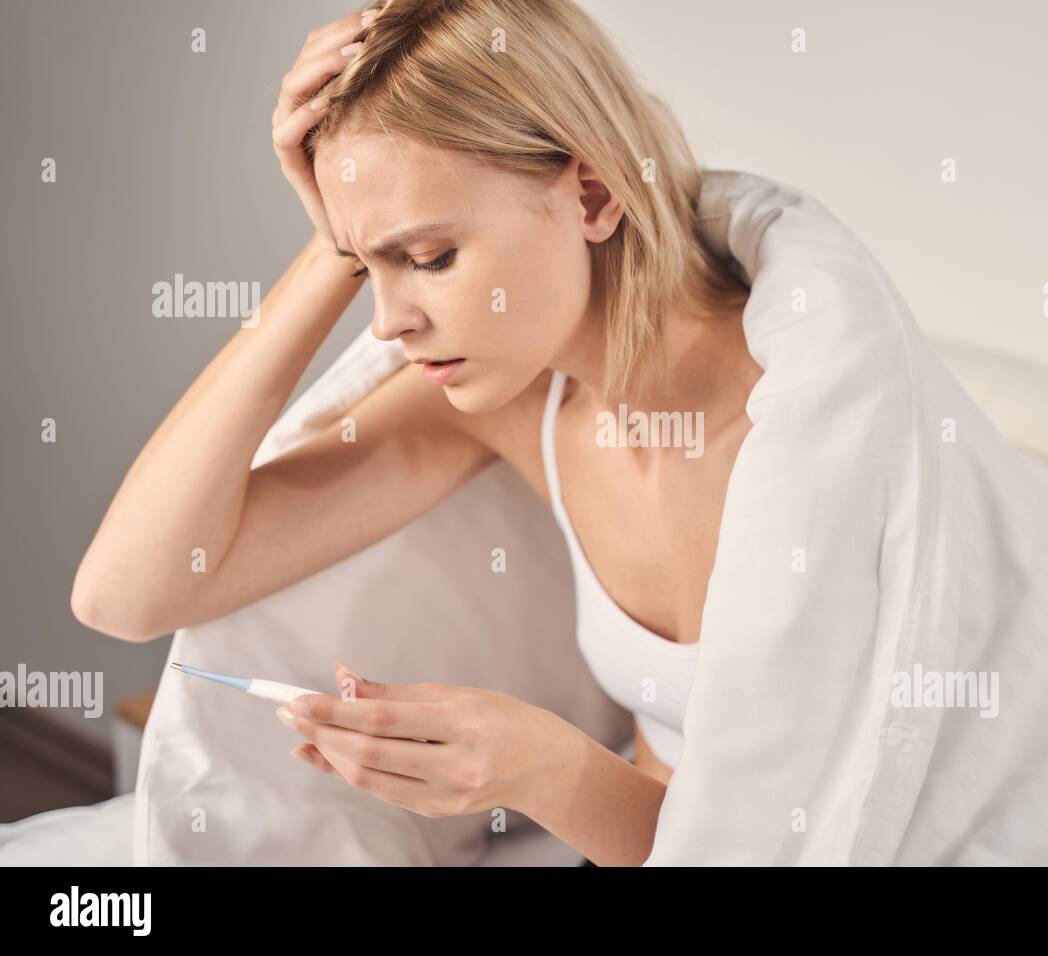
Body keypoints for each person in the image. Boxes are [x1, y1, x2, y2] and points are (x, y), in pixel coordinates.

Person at [70, 0, 758, 867]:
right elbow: (128, 594)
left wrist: (541, 768)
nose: (388, 323)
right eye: (369, 267)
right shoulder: (516, 397)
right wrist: (330, 245)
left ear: (591, 191)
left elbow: (781, 843)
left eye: (429, 259)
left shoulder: (773, 449)